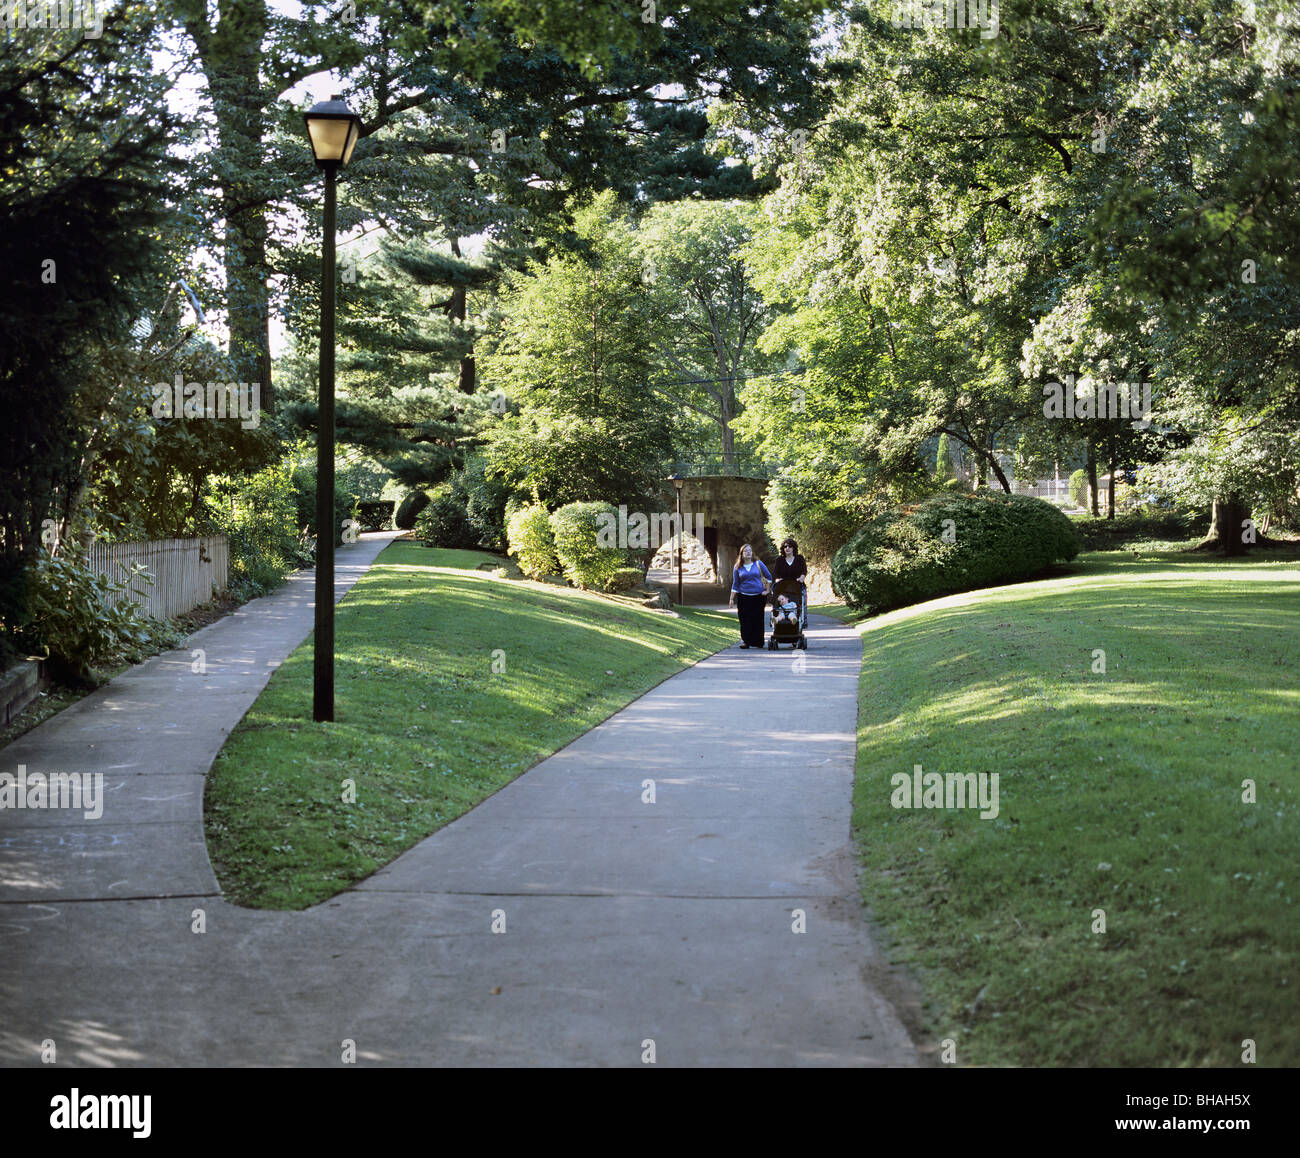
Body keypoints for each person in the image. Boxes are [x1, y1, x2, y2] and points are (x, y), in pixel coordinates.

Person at [728, 543, 771, 649]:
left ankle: (758, 642)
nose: (748, 552)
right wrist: (731, 598)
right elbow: (735, 583)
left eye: (750, 551)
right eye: (745, 551)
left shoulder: (758, 564)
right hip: (743, 596)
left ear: (752, 553)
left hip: (758, 596)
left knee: (757, 619)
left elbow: (769, 577)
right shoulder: (738, 567)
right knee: (744, 619)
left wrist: (767, 590)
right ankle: (746, 641)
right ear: (741, 554)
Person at [770, 538, 808, 619]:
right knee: (776, 593)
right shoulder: (779, 560)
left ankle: (801, 618)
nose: (787, 548)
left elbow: (804, 571)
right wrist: (777, 579)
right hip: (782, 585)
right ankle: (777, 616)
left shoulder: (799, 558)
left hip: (797, 584)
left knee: (801, 597)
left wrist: (802, 577)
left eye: (790, 546)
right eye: (785, 546)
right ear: (783, 549)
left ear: (793, 548)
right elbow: (775, 573)